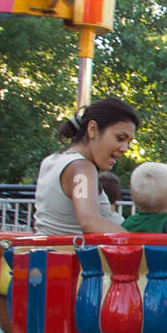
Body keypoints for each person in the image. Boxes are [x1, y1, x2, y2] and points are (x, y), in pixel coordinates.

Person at [34, 98, 138, 236]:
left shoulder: (52, 160)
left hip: (47, 253)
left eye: (128, 142)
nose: (125, 149)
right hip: (71, 255)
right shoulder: (82, 169)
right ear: (92, 129)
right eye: (120, 138)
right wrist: (140, 243)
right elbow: (90, 223)